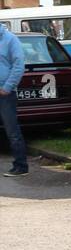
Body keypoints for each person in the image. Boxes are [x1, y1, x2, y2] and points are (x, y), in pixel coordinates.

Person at [0, 22, 27, 177]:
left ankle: (21, 166)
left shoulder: (10, 39)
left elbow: (18, 65)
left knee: (12, 131)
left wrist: (7, 87)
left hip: (5, 93)